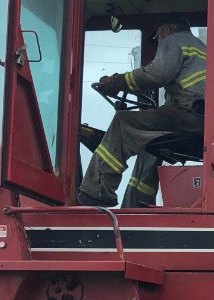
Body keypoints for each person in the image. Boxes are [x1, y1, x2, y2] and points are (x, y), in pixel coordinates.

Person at [78, 15, 207, 208]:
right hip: (203, 118)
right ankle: (137, 204)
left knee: (123, 122)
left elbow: (157, 74)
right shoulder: (201, 48)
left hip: (187, 114)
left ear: (166, 30)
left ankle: (96, 192)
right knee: (147, 139)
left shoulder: (174, 40)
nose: (158, 44)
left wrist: (115, 82)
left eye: (157, 39)